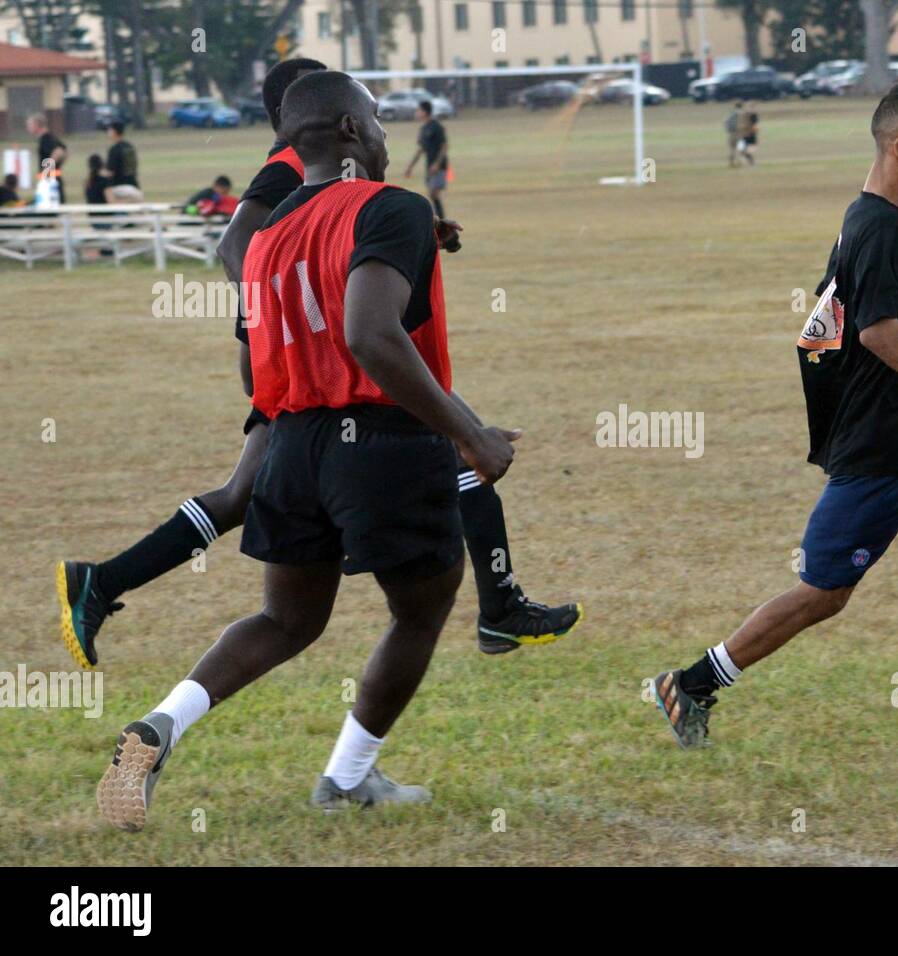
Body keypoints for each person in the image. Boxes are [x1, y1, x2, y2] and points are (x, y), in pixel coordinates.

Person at [95, 71, 524, 829]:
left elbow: (260, 359)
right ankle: (348, 776)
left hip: (291, 445)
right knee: (422, 610)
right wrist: (469, 432)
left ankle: (159, 726)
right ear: (353, 131)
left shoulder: (262, 240)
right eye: (379, 118)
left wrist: (416, 244)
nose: (388, 131)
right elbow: (369, 334)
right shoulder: (392, 206)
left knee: (286, 621)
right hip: (384, 442)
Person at [57, 59, 580, 675]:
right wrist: (279, 323)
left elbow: (323, 232)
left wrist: (401, 242)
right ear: (333, 120)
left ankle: (101, 580)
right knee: (453, 442)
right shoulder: (290, 163)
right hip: (308, 357)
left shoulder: (321, 165)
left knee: (245, 494)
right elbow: (238, 245)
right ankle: (498, 607)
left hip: (310, 349)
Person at [651, 83, 898, 749]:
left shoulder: (874, 222)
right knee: (823, 595)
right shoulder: (879, 230)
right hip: (881, 449)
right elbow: (876, 333)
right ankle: (689, 683)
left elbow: (828, 330)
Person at [403, 100, 449, 218]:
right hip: (429, 165)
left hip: (439, 165)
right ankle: (439, 220)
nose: (417, 112)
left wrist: (437, 164)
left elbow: (444, 146)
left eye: (418, 110)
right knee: (432, 194)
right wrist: (410, 166)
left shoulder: (437, 126)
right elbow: (421, 149)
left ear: (424, 112)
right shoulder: (423, 129)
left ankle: (441, 220)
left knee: (433, 193)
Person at [27, 113, 66, 203]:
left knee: (48, 210)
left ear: (37, 125)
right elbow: (64, 151)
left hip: (50, 182)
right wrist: (57, 166)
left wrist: (46, 172)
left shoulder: (46, 139)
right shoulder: (51, 137)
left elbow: (59, 152)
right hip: (54, 179)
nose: (28, 128)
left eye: (30, 125)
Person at [104, 121, 140, 200]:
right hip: (135, 187)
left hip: (120, 188)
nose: (108, 132)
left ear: (114, 132)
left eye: (109, 130)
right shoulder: (129, 147)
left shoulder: (114, 149)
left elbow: (110, 172)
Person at [724, 101, 742, 167]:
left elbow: (725, 122)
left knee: (732, 149)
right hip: (739, 133)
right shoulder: (742, 114)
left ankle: (731, 162)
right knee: (740, 148)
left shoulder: (731, 114)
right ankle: (739, 162)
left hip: (732, 133)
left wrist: (728, 130)